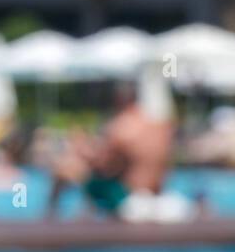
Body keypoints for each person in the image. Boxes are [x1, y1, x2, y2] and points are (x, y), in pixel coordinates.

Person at [46, 86, 178, 219]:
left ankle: (50, 217)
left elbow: (105, 166)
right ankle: (83, 213)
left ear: (119, 100)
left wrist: (82, 152)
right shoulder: (161, 126)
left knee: (65, 170)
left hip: (131, 199)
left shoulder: (122, 126)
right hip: (160, 196)